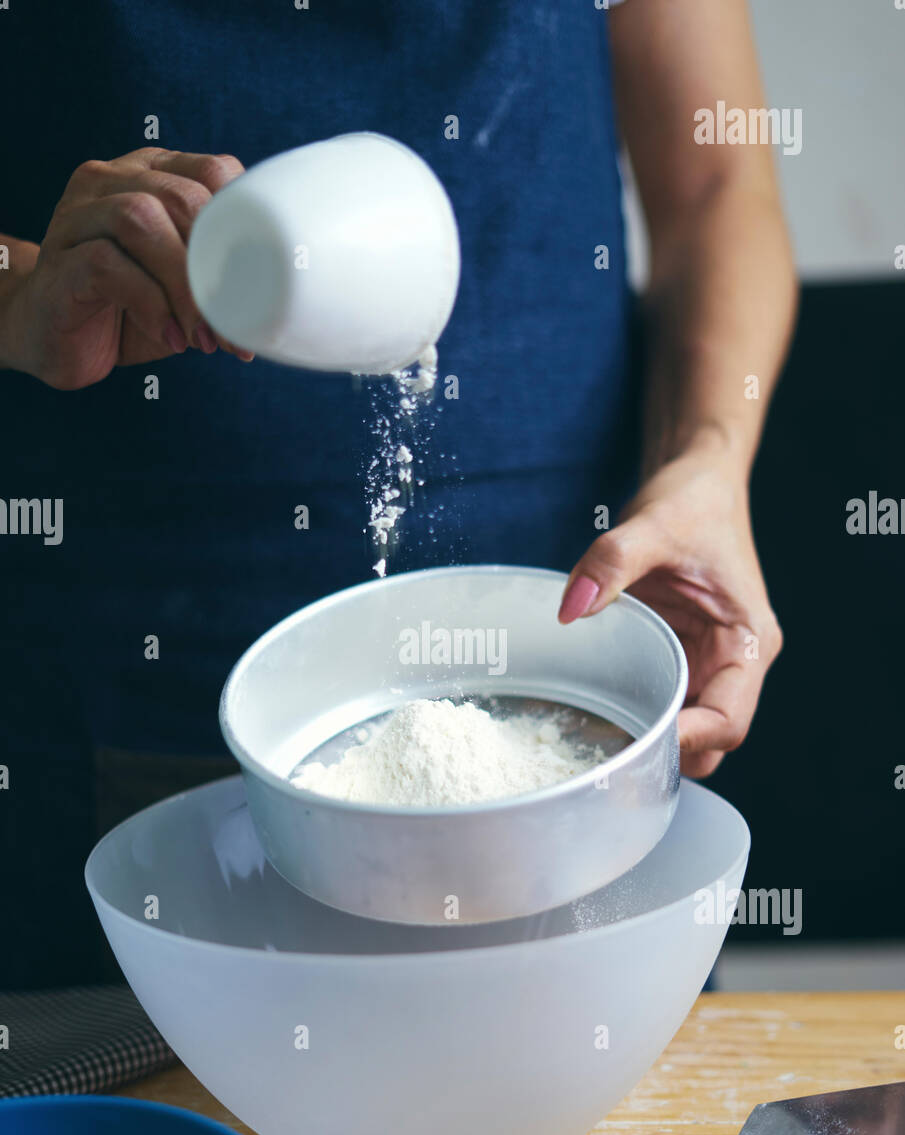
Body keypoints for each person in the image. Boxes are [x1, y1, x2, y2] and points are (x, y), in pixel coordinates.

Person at [0, 0, 796, 987]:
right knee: (152, 1119)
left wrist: (705, 465)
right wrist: (18, 291)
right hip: (123, 660)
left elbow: (719, 186)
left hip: (571, 665)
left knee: (595, 1109)